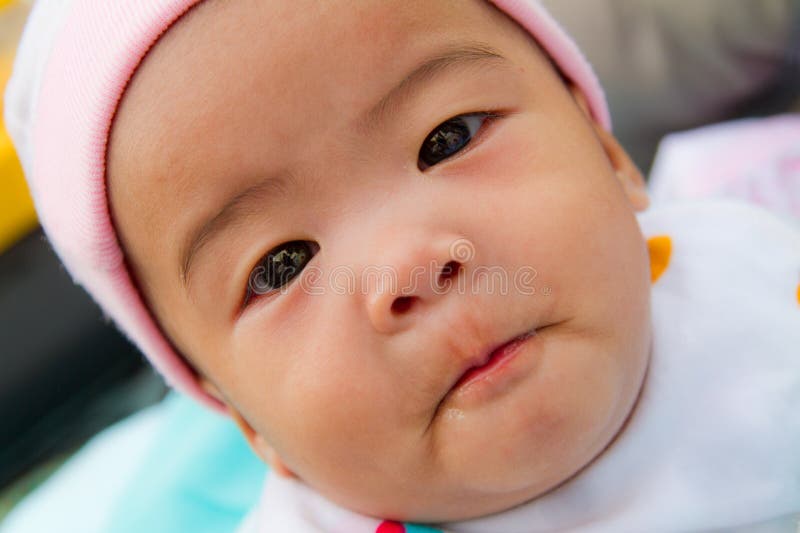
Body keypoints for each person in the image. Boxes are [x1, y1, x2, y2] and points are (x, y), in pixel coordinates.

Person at [5, 0, 799, 531]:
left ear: (608, 152)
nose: (409, 266)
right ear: (247, 419)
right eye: (281, 265)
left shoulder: (758, 276)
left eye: (447, 138)